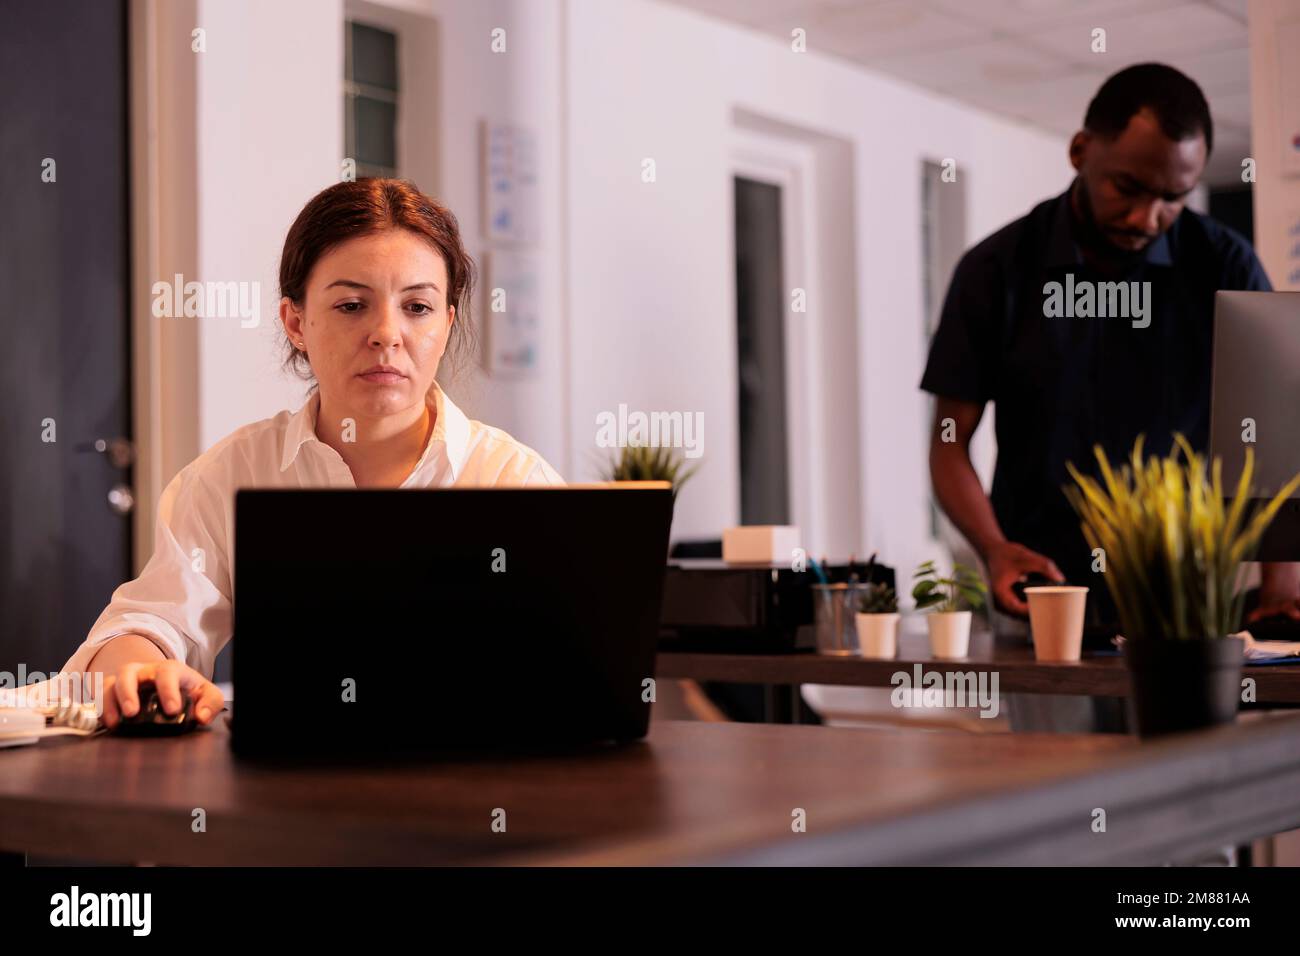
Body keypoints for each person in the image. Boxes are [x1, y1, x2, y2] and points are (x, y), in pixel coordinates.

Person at [62, 178, 564, 730]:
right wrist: (140, 670)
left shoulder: (515, 481)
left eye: (417, 307)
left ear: (446, 325)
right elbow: (151, 623)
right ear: (296, 322)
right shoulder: (231, 476)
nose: (386, 334)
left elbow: (569, 662)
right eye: (352, 305)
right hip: (281, 793)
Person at [921, 63, 1297, 646]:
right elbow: (948, 442)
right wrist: (994, 549)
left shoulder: (1228, 266)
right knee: (1056, 743)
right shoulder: (993, 271)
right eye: (1129, 187)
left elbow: (1274, 436)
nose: (1147, 219)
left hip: (1188, 599)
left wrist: (1283, 583)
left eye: (1173, 198)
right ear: (1079, 151)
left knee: (1188, 743)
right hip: (1042, 596)